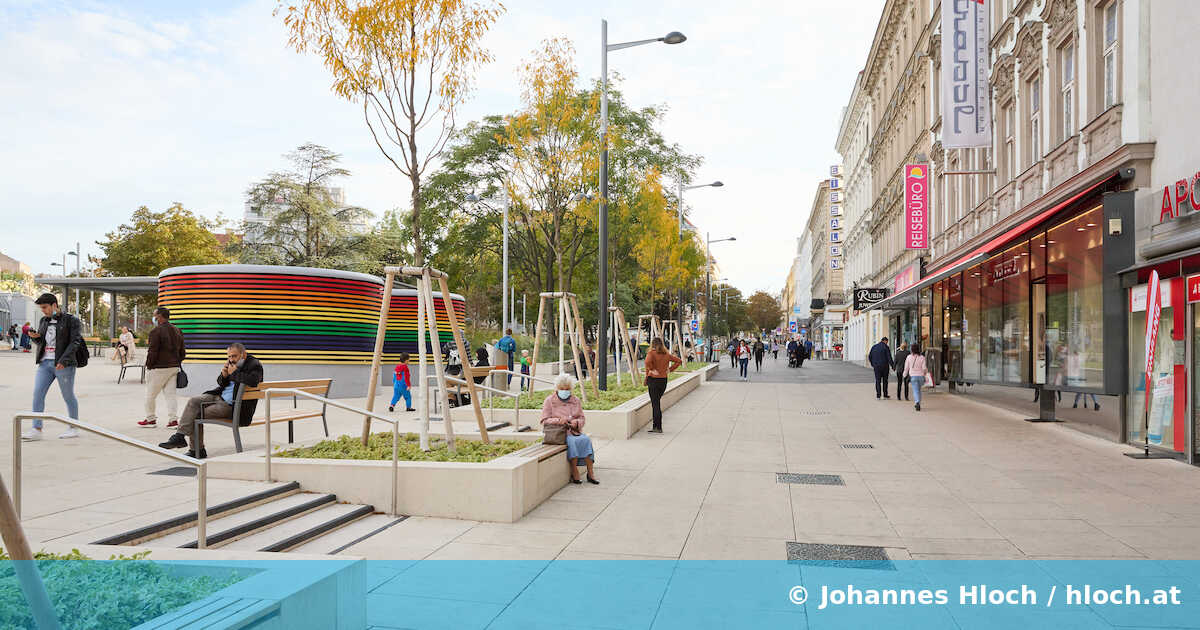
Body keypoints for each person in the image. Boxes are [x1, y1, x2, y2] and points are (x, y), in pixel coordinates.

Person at [159, 343, 263, 459]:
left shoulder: (254, 364)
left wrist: (234, 373)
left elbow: (253, 381)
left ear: (243, 354)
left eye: (234, 356)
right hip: (219, 397)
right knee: (193, 401)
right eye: (229, 357)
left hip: (233, 406)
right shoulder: (232, 364)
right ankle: (179, 436)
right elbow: (221, 383)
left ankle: (196, 450)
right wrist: (223, 375)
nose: (231, 360)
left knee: (195, 415)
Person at [23, 294, 84, 441]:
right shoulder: (44, 320)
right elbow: (43, 343)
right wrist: (35, 337)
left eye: (45, 307)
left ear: (54, 305)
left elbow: (75, 342)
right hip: (45, 363)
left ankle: (73, 427)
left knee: (68, 396)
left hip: (63, 364)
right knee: (37, 394)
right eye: (41, 308)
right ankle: (36, 429)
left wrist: (64, 360)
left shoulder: (71, 320)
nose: (43, 311)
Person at [540, 374, 598, 484]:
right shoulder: (549, 400)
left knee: (586, 440)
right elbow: (544, 420)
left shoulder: (575, 400)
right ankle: (574, 471)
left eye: (567, 389)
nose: (565, 391)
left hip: (574, 430)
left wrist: (576, 422)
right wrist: (558, 421)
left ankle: (590, 473)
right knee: (572, 442)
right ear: (557, 388)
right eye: (562, 389)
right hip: (559, 433)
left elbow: (582, 418)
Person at [138, 308, 186, 428]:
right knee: (171, 395)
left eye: (154, 315)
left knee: (150, 395)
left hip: (159, 368)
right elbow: (183, 352)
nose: (153, 317)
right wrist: (176, 362)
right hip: (174, 367)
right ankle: (173, 420)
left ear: (159, 316)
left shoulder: (156, 332)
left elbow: (152, 351)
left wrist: (149, 365)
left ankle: (150, 419)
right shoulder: (177, 330)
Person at [644, 337, 682, 433]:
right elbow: (679, 361)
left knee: (655, 404)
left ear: (653, 344)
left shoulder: (651, 353)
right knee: (656, 403)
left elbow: (647, 362)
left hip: (653, 380)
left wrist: (652, 369)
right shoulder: (666, 355)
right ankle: (656, 427)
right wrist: (670, 369)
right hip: (663, 381)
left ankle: (658, 427)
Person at [903, 343, 932, 411]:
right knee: (918, 390)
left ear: (912, 349)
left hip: (913, 377)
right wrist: (926, 375)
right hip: (921, 377)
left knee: (915, 390)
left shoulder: (909, 357)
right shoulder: (922, 357)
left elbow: (906, 368)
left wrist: (904, 375)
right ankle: (919, 402)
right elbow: (924, 368)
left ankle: (917, 402)